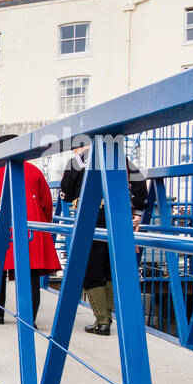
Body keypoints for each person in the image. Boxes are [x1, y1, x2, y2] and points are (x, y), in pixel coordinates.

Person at [59, 142, 148, 336]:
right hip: (117, 222)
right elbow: (141, 184)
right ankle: (107, 317)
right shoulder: (120, 160)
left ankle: (102, 321)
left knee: (91, 272)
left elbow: (64, 193)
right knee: (109, 270)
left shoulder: (77, 161)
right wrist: (138, 211)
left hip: (90, 222)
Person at [0, 134, 61, 327]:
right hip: (32, 227)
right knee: (30, 273)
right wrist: (43, 228)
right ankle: (28, 318)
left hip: (2, 226)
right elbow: (47, 203)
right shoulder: (34, 170)